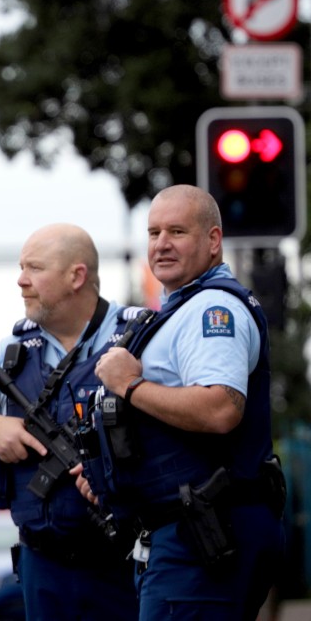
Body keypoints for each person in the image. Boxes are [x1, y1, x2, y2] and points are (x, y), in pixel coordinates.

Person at [91, 184, 284, 620]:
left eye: (177, 231)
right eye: (154, 232)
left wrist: (130, 386)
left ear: (213, 240)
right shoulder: (181, 309)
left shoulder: (212, 309)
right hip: (189, 531)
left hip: (203, 534)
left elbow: (220, 409)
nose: (161, 244)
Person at [0, 223, 138, 620]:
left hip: (123, 562)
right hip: (43, 565)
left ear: (76, 276)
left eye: (35, 268)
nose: (21, 281)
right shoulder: (12, 352)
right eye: (21, 267)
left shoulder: (139, 338)